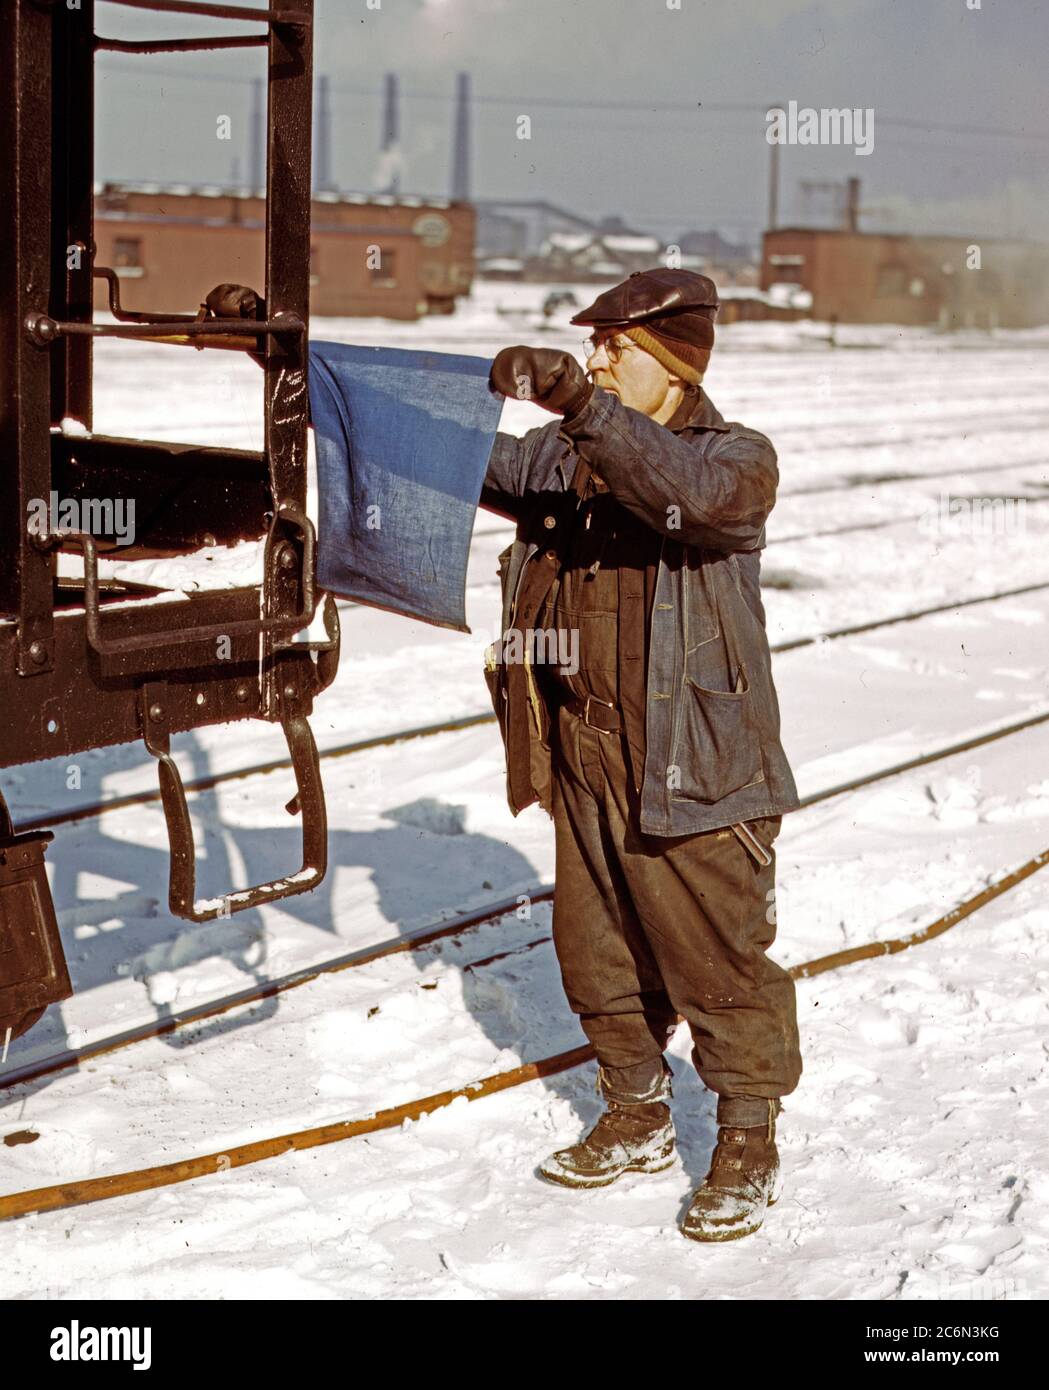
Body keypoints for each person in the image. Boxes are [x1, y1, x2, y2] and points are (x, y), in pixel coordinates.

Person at [482, 268, 802, 1241]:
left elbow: (681, 492)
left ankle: (745, 1140)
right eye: (591, 350)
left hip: (695, 762)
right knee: (595, 952)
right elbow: (475, 463)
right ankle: (633, 1113)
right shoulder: (573, 454)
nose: (595, 362)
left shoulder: (733, 459)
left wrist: (581, 406)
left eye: (614, 349)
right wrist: (306, 372)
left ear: (671, 364)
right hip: (587, 752)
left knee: (717, 963)